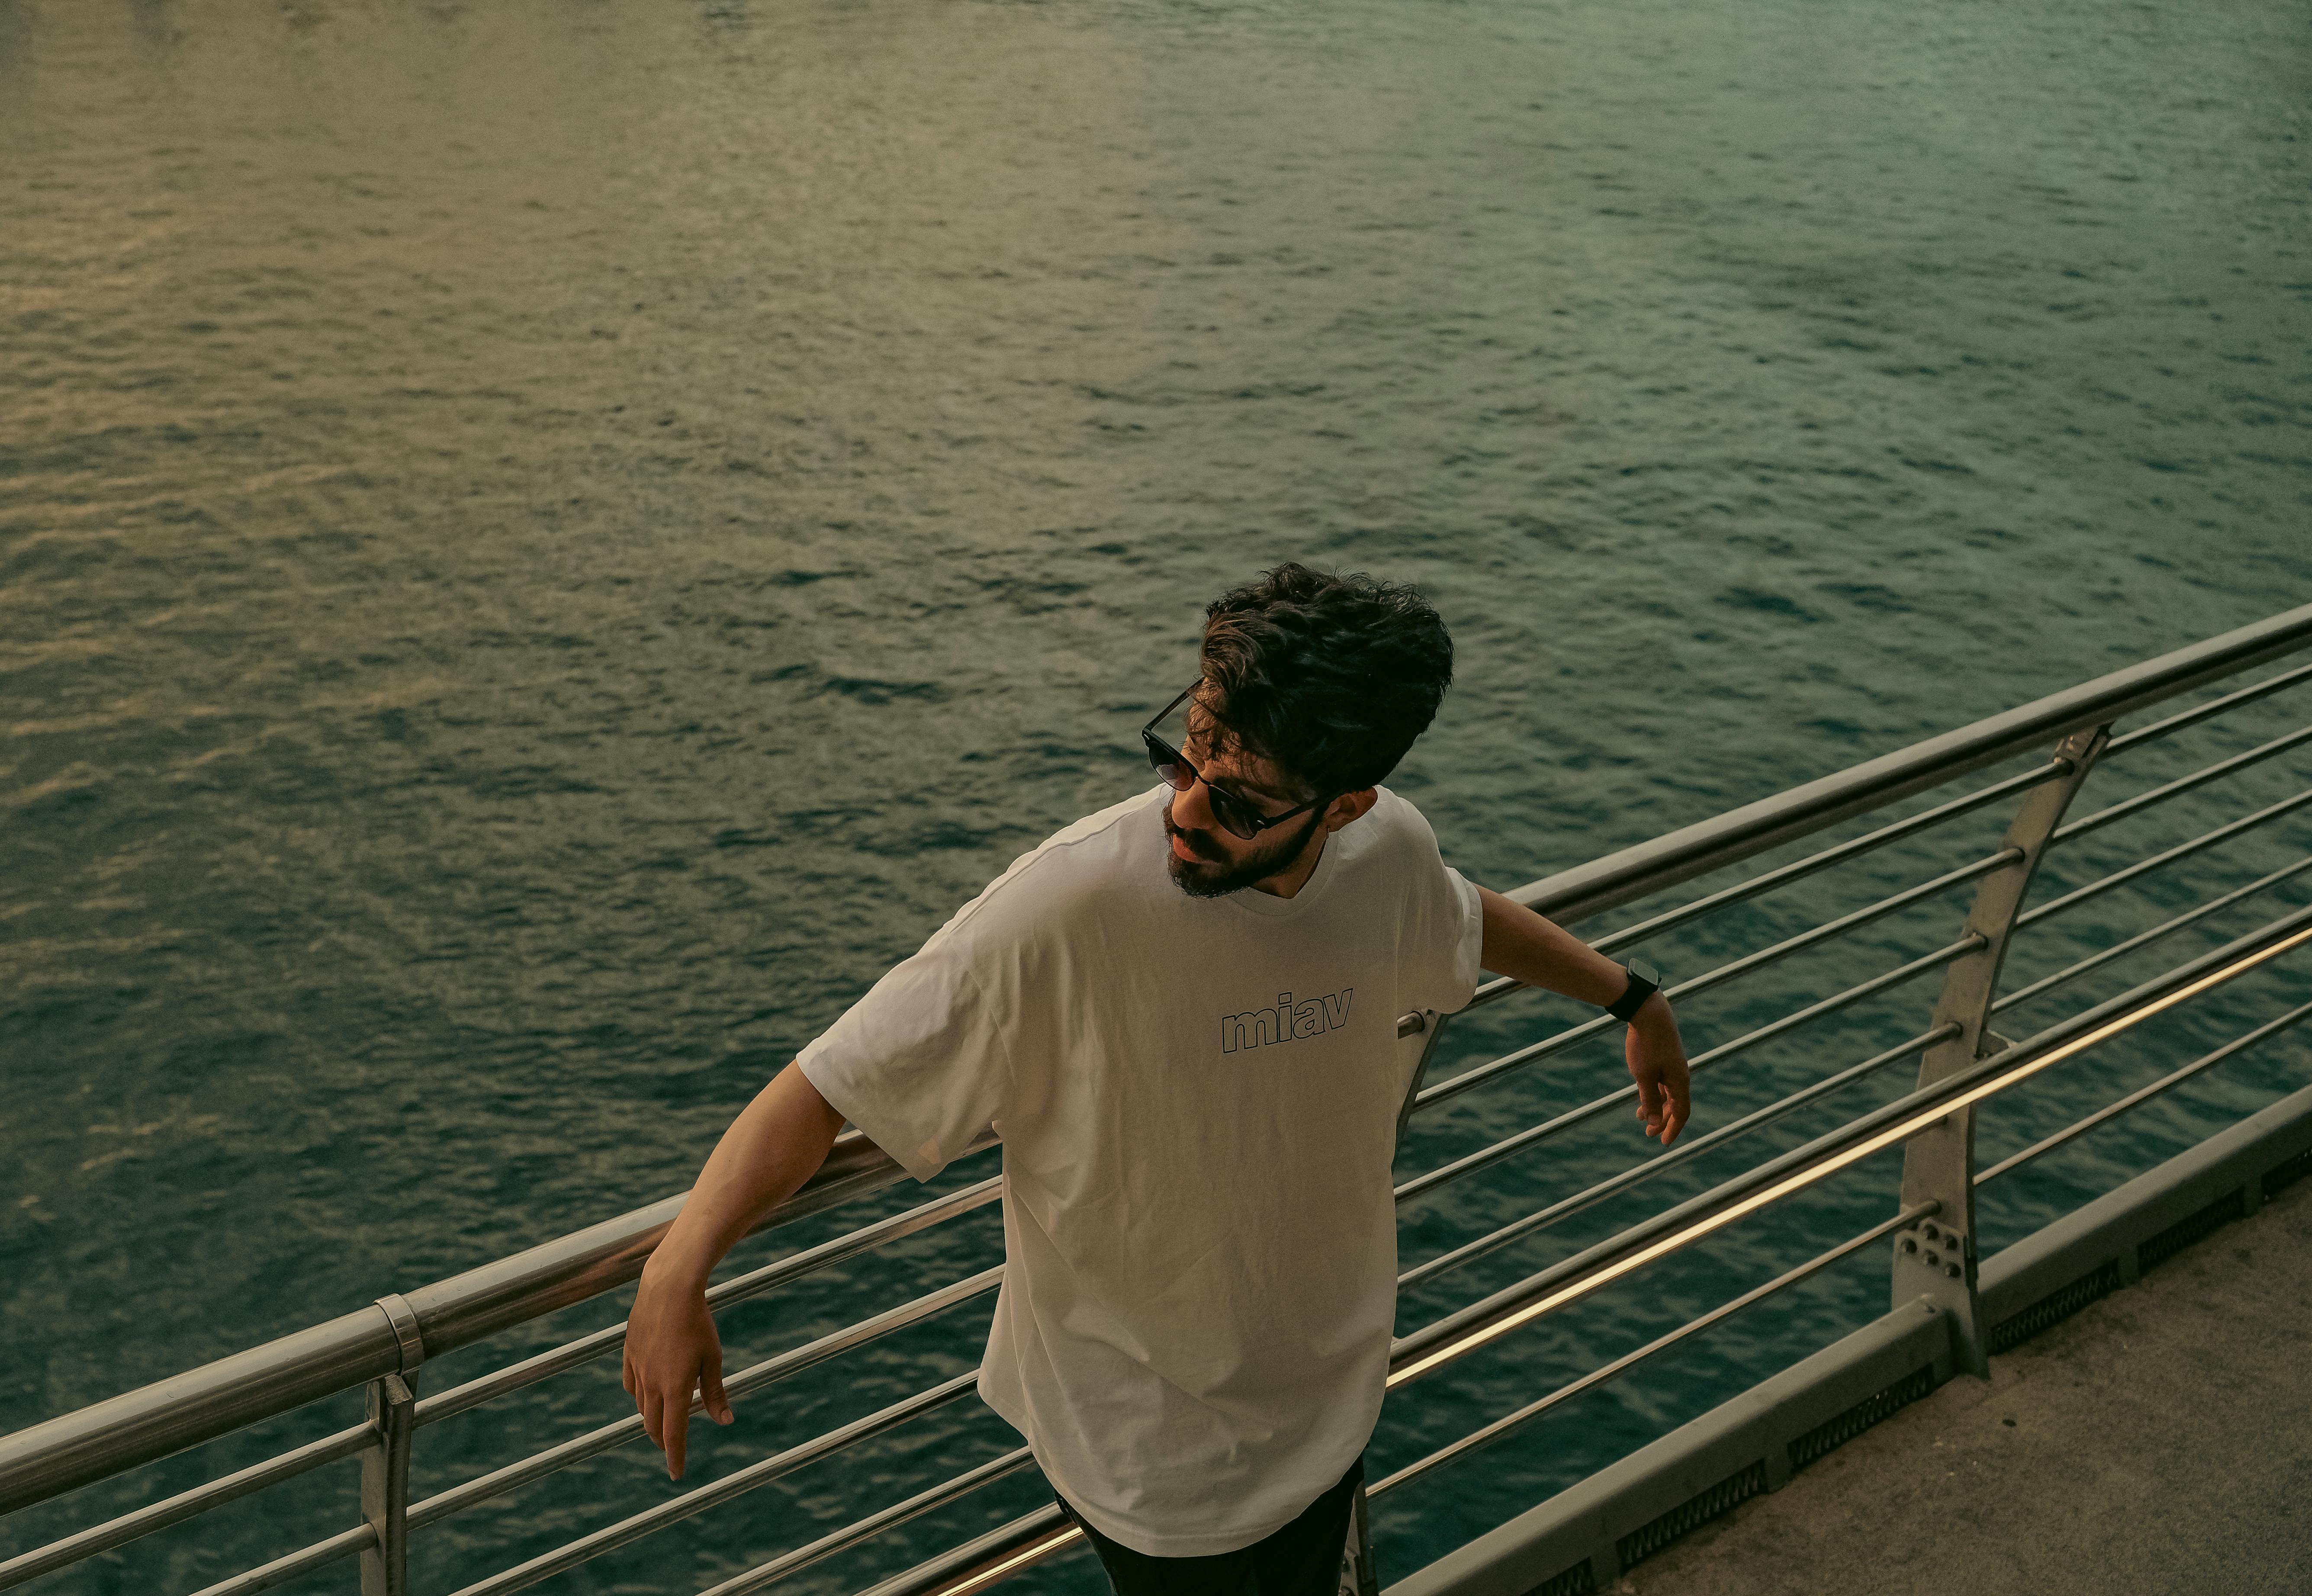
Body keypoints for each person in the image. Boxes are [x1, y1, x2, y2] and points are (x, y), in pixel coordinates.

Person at [622, 563, 1692, 1596]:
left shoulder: (1390, 856)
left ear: (1346, 808)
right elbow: (826, 1087)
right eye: (1184, 758)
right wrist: (679, 1266)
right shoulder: (1066, 908)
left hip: (1327, 1388)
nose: (1183, 810)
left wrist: (1628, 998)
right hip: (1148, 1443)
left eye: (1237, 805)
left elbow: (1459, 916)